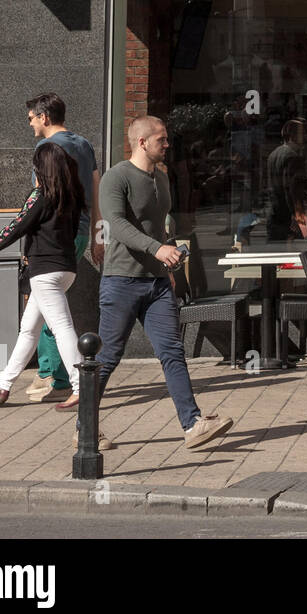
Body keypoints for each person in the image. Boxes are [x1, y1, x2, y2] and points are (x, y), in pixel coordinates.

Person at [96, 116, 234, 450]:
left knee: (172, 352)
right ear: (142, 142)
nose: (167, 144)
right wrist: (157, 249)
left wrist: (169, 263)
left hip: (157, 282)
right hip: (121, 281)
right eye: (162, 139)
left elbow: (159, 227)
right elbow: (116, 224)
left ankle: (192, 425)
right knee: (107, 358)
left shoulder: (163, 178)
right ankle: (85, 428)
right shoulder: (116, 177)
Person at [0, 142, 86, 410]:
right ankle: (3, 384)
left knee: (61, 327)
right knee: (29, 330)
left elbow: (17, 226)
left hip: (45, 272)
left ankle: (82, 386)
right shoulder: (71, 196)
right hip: (65, 268)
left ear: (41, 169)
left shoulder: (40, 195)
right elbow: (69, 233)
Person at [23, 92, 103, 405]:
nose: (30, 124)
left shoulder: (45, 148)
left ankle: (54, 377)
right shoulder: (83, 144)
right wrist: (97, 236)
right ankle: (50, 374)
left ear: (44, 117)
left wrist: (31, 241)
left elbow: (38, 198)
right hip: (81, 232)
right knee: (49, 302)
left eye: (31, 118)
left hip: (54, 235)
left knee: (47, 304)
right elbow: (96, 188)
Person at [265, 118, 307, 242]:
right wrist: (299, 218)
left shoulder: (274, 154)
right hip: (287, 217)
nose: (305, 136)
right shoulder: (293, 157)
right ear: (293, 135)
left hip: (275, 212)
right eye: (303, 133)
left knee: (274, 252)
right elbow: (293, 191)